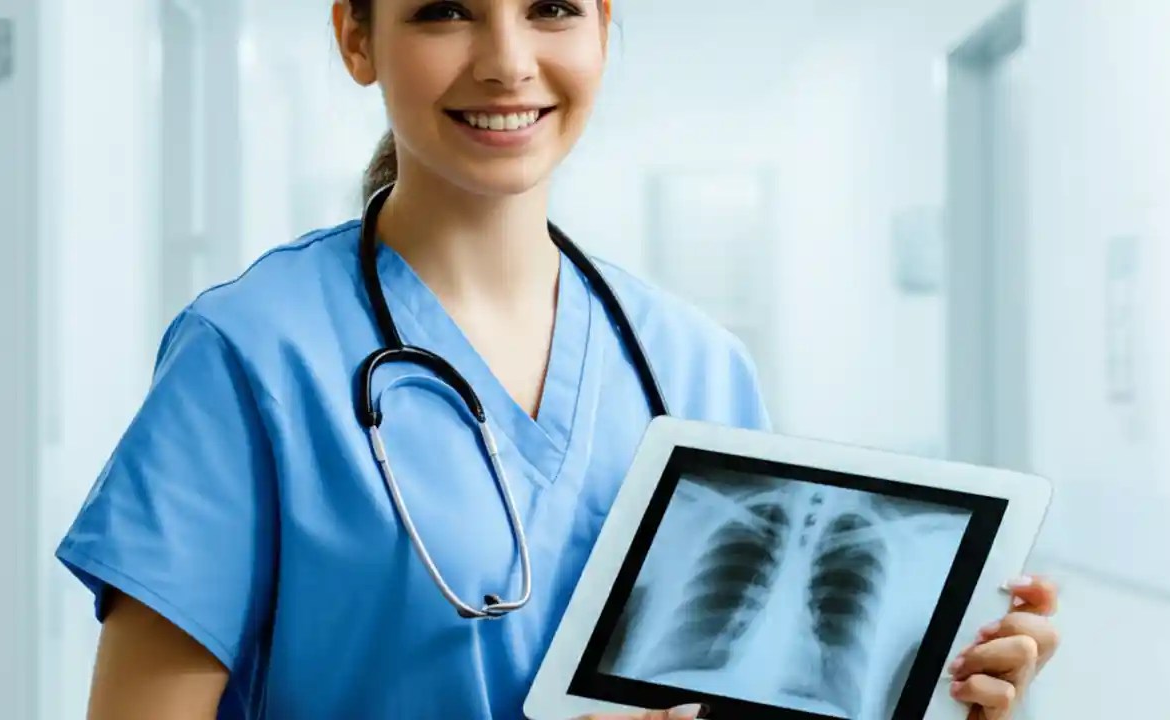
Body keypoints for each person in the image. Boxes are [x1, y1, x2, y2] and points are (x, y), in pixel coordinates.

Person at [55, 0, 1061, 718]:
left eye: (550, 9)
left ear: (603, 30)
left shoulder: (696, 364)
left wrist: (946, 695)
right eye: (444, 11)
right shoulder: (252, 354)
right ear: (355, 36)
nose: (505, 62)